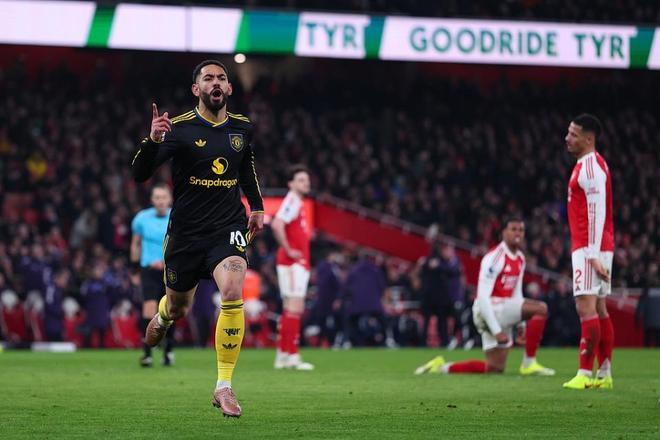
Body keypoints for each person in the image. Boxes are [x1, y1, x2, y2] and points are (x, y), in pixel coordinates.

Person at [131, 60, 264, 417]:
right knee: (179, 308)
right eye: (208, 78)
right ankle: (164, 315)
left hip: (227, 227)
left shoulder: (242, 127)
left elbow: (246, 167)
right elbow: (140, 174)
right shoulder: (178, 128)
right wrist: (152, 140)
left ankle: (224, 386)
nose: (215, 82)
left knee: (233, 290)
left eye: (221, 78)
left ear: (229, 88)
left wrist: (256, 206)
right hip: (186, 235)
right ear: (197, 89)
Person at [415, 218, 555, 376]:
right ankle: (529, 363)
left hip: (503, 310)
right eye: (513, 229)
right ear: (504, 233)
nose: (518, 233)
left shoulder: (520, 258)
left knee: (494, 368)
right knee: (541, 309)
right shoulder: (494, 258)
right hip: (487, 310)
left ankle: (441, 367)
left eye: (521, 230)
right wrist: (496, 330)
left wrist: (521, 325)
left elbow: (516, 294)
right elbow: (482, 297)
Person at [562, 114, 615, 390]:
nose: (567, 138)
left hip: (589, 246)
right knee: (600, 307)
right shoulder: (591, 164)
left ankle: (584, 373)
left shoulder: (590, 169)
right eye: (568, 132)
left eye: (573, 134)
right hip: (598, 245)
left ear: (588, 138)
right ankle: (604, 375)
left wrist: (592, 254)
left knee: (585, 307)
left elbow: (597, 212)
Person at [272, 165, 314, 370]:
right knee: (295, 307)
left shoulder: (297, 202)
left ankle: (283, 355)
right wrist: (289, 249)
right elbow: (277, 224)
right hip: (292, 263)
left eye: (306, 180)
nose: (306, 183)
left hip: (295, 263)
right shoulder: (292, 200)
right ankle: (292, 355)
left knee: (290, 308)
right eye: (301, 180)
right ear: (291, 183)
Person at [130, 183, 173, 367]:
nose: (160, 201)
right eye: (157, 197)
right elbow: (135, 244)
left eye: (163, 197)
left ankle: (168, 352)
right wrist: (134, 269)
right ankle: (147, 354)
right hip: (148, 270)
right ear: (152, 200)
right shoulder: (141, 219)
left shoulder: (176, 216)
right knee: (148, 309)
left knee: (170, 310)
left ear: (169, 199)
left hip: (170, 270)